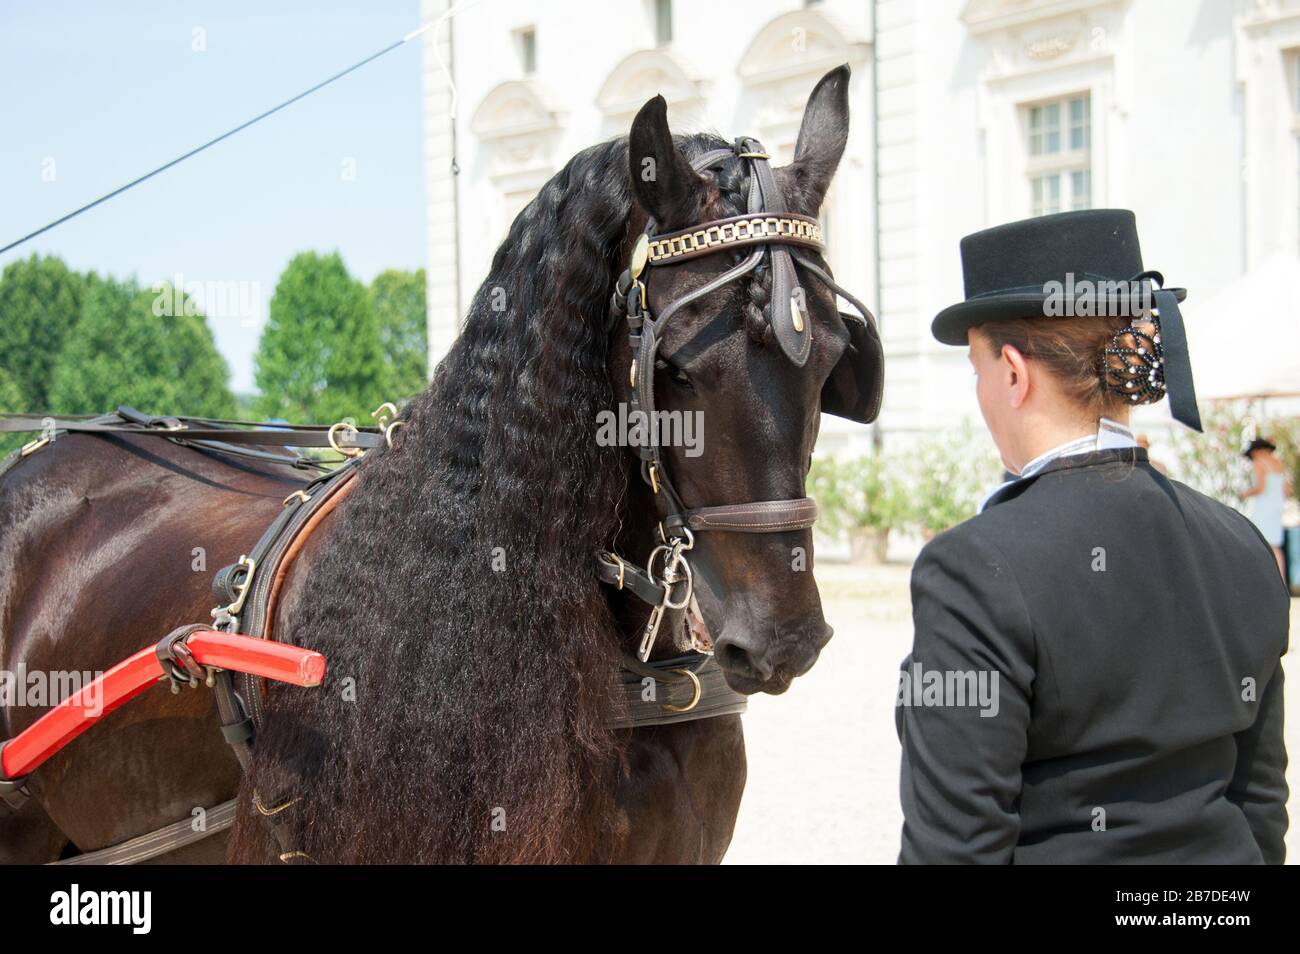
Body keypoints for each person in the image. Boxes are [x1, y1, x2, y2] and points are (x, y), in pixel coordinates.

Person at [897, 209, 1290, 864]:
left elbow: (955, 849)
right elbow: (1260, 806)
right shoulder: (1242, 542)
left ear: (1014, 374)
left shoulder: (973, 567)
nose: (981, 390)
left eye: (977, 369)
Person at [1242, 437, 1291, 581]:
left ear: (1256, 451)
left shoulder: (1259, 462)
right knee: (1275, 546)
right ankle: (1280, 581)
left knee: (1258, 542)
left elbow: (1261, 487)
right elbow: (1287, 490)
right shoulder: (1279, 464)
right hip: (1277, 507)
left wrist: (1245, 493)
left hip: (1263, 507)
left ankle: (1261, 580)